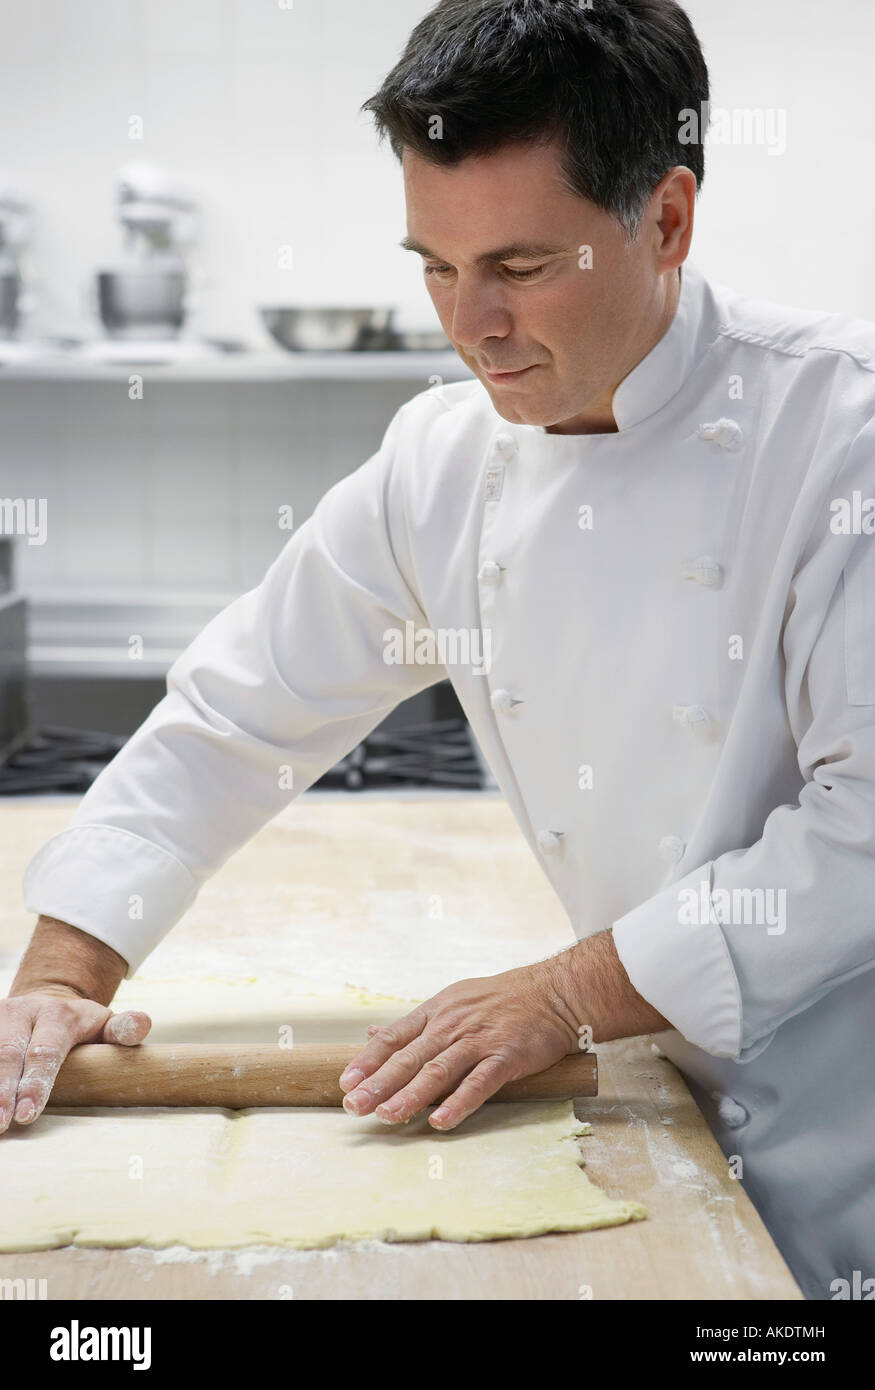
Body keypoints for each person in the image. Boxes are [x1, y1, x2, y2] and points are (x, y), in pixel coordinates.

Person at [6, 0, 875, 1301]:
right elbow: (240, 716)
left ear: (670, 220)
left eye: (520, 268)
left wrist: (564, 991)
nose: (470, 327)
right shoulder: (444, 460)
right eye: (435, 265)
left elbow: (864, 824)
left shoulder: (837, 436)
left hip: (845, 1130)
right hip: (647, 1091)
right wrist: (63, 970)